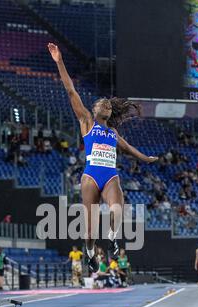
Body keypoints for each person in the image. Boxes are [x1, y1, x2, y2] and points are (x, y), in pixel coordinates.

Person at [48, 43, 158, 273]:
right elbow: (71, 91)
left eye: (109, 104)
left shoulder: (113, 133)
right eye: (103, 103)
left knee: (118, 209)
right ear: (95, 108)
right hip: (90, 177)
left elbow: (127, 148)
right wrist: (59, 62)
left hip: (110, 176)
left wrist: (146, 158)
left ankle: (113, 239)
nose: (107, 104)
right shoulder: (86, 121)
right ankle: (90, 254)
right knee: (89, 233)